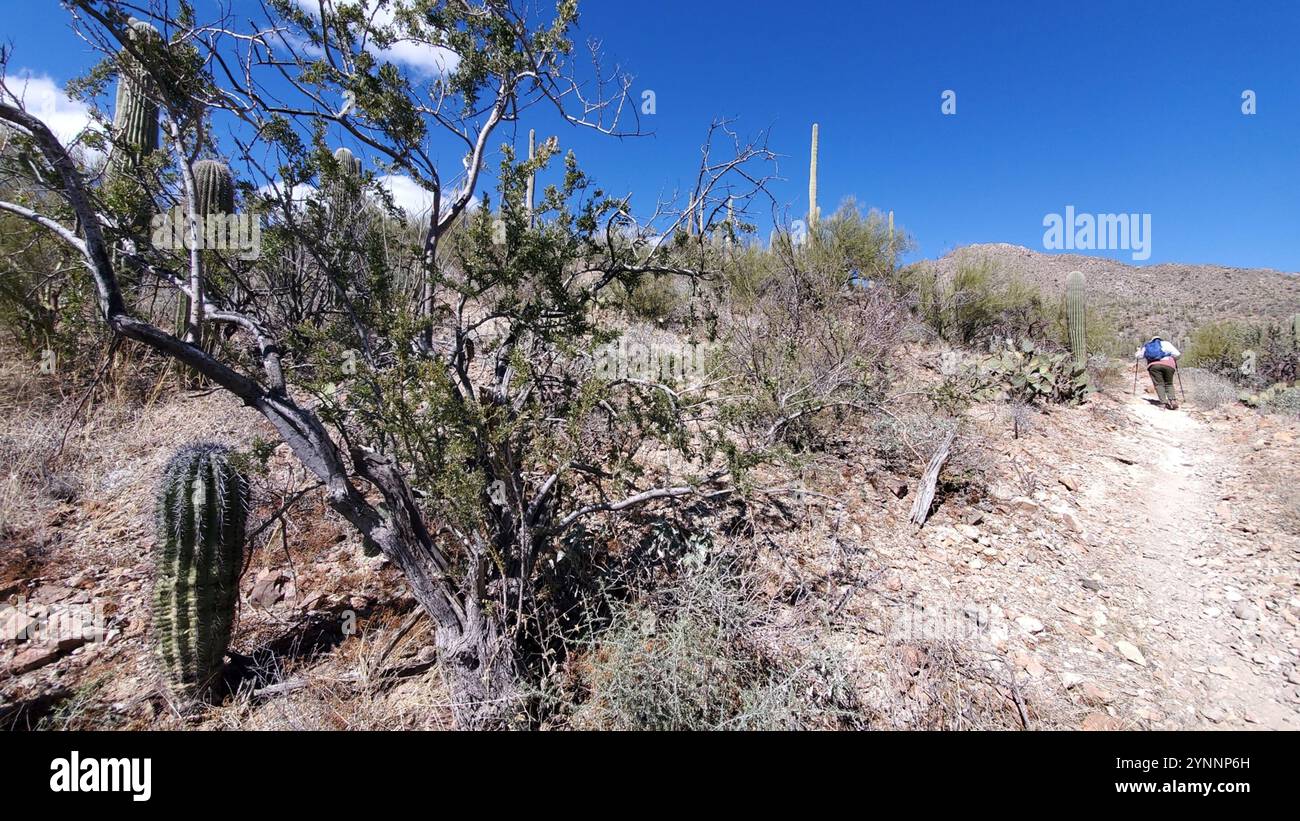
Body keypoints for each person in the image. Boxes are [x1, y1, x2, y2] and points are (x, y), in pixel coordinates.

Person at [1136, 336, 1181, 409]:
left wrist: (1138, 351)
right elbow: (1177, 354)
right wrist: (1173, 359)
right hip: (1169, 365)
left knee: (1159, 384)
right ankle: (1172, 400)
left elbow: (1138, 356)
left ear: (1152, 340)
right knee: (1169, 383)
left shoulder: (1148, 346)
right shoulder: (1166, 343)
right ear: (1160, 339)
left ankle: (1163, 402)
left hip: (1154, 366)